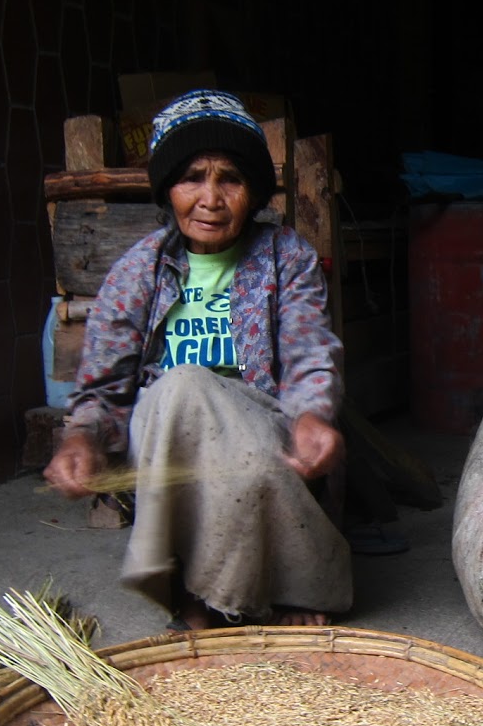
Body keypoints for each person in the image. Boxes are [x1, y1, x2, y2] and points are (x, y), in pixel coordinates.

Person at [43, 89, 351, 630]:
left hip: (260, 424)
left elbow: (308, 353)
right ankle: (196, 594)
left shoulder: (286, 258)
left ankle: (273, 589)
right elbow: (104, 383)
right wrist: (82, 438)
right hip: (166, 440)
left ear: (252, 192)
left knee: (248, 454)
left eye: (229, 179)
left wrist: (310, 416)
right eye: (193, 178)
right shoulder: (139, 271)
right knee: (182, 387)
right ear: (169, 191)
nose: (210, 197)